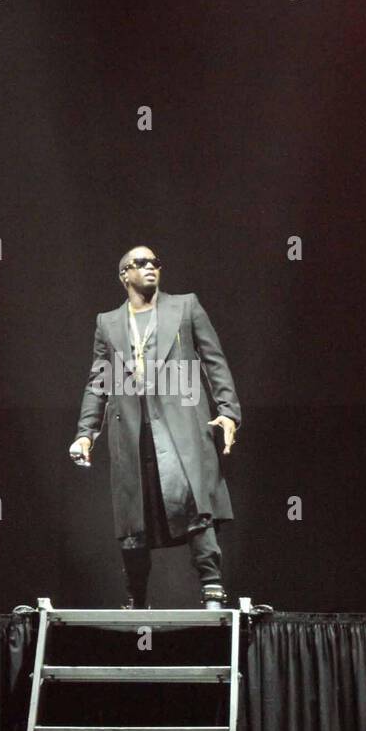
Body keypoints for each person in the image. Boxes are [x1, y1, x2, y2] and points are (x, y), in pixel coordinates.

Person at [71, 246, 241, 609]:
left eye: (155, 263)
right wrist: (85, 433)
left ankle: (211, 586)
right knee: (135, 515)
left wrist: (228, 411)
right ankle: (137, 597)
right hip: (132, 429)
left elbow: (214, 361)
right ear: (124, 275)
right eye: (141, 264)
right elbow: (98, 381)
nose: (150, 268)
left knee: (195, 502)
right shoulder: (108, 322)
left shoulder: (185, 306)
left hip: (181, 423)